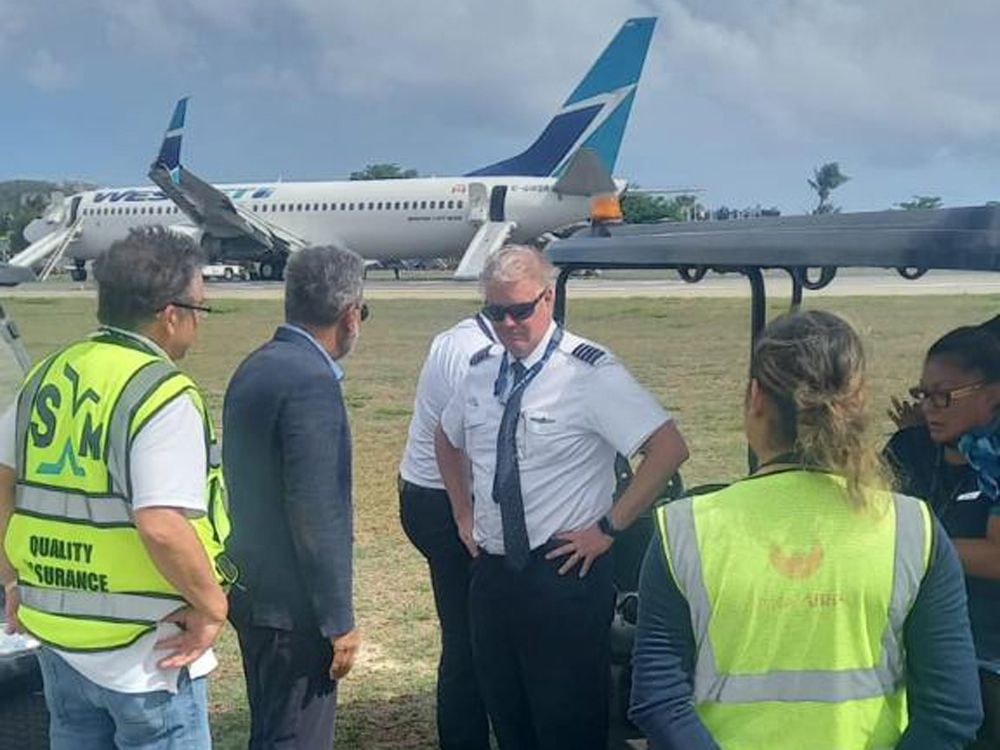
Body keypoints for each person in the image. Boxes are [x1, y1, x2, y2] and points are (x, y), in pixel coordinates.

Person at [630, 310, 983, 750]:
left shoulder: (683, 530)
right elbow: (952, 711)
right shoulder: (915, 531)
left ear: (755, 398)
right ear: (857, 404)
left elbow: (659, 700)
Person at [435, 244, 689, 750]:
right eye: (494, 312)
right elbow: (446, 436)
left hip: (563, 573)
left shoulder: (587, 372)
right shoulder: (482, 369)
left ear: (547, 298)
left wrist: (608, 529)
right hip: (493, 574)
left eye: (519, 310)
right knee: (508, 718)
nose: (507, 324)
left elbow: (667, 450)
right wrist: (462, 512)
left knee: (567, 724)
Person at [0, 226, 232, 748]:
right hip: (146, 654)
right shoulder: (161, 391)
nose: (198, 322)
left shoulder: (46, 375)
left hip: (59, 642)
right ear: (170, 314)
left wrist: (13, 579)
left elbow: (3, 480)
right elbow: (161, 525)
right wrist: (213, 607)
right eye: (199, 309)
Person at [223, 245, 364, 749]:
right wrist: (338, 620)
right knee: (296, 736)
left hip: (254, 591)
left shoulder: (255, 366)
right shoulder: (311, 383)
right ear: (350, 315)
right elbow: (317, 513)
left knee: (270, 728)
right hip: (295, 610)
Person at [886, 324, 1000, 744]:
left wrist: (910, 541)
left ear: (992, 394)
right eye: (923, 395)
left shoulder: (994, 461)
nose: (931, 408)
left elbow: (997, 556)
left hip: (986, 656)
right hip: (911, 649)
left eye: (944, 396)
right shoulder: (909, 450)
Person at [398, 312, 497, 750]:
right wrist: (466, 515)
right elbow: (470, 442)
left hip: (431, 493)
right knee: (466, 639)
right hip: (444, 500)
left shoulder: (461, 336)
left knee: (477, 631)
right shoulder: (471, 353)